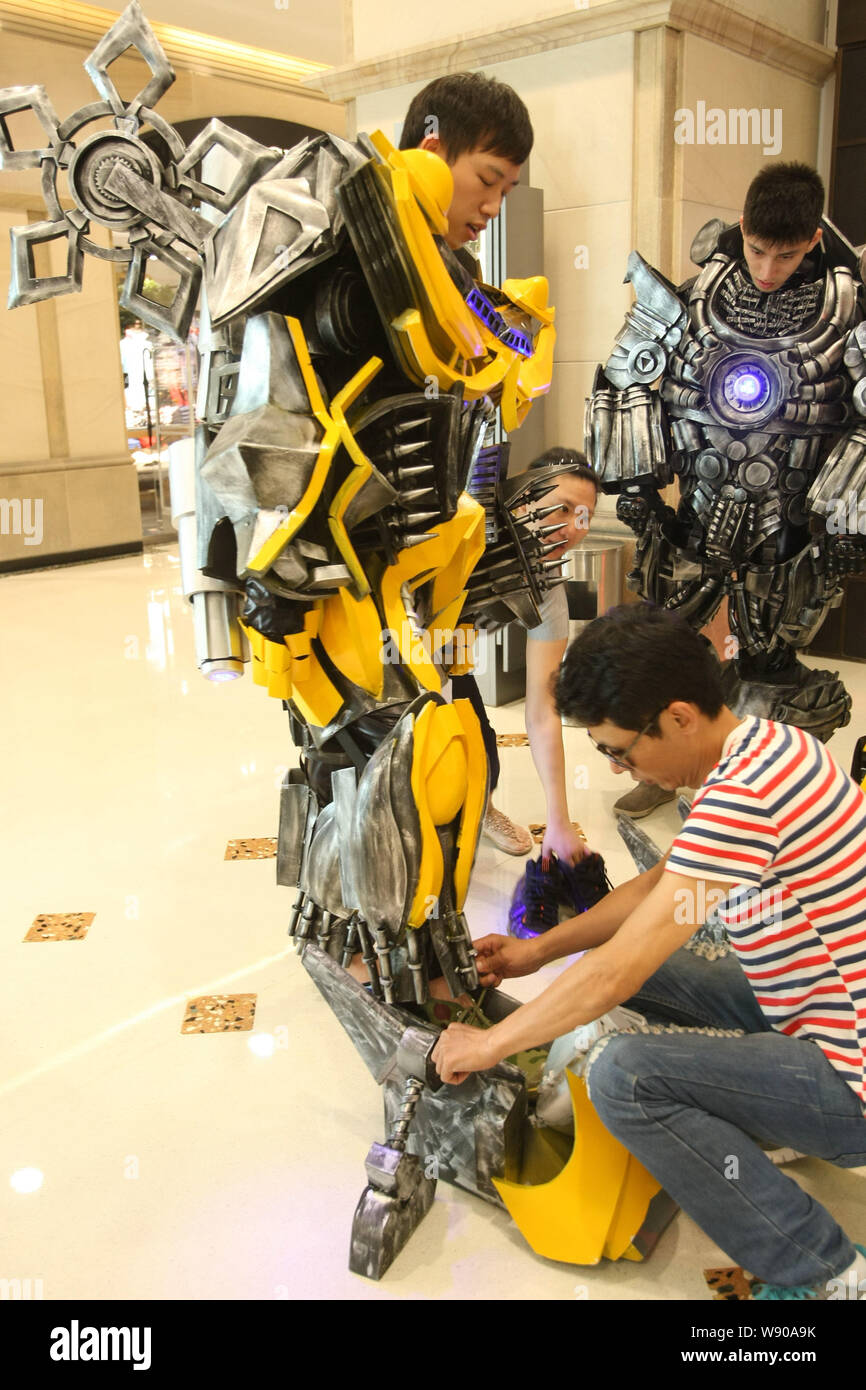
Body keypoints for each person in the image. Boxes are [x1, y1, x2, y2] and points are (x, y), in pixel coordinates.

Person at [432, 603, 866, 1299]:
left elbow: (614, 973)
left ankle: (825, 1272)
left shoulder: (742, 796)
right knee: (649, 969)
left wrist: (489, 1045)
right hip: (814, 1004)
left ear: (680, 716)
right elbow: (658, 887)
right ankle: (760, 1115)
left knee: (624, 1077)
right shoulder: (772, 744)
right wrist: (536, 953)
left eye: (622, 750)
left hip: (852, 1077)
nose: (617, 767)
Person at [587, 162, 866, 823]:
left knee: (769, 659)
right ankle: (661, 770)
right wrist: (636, 486)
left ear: (813, 240)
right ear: (742, 227)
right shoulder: (697, 295)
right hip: (697, 503)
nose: (768, 269)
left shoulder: (849, 306)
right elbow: (629, 380)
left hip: (788, 516)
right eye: (758, 250)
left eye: (786, 255)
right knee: (666, 648)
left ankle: (751, 796)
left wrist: (852, 518)